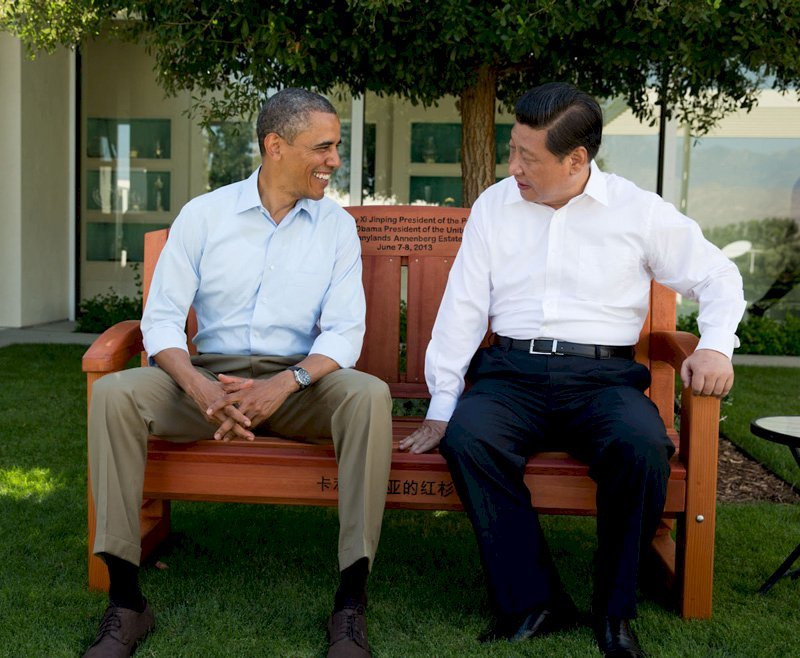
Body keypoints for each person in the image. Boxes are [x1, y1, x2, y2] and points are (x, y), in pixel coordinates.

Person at [400, 82, 746, 658]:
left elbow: (718, 277)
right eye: (513, 151)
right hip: (510, 374)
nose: (513, 168)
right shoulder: (495, 206)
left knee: (642, 446)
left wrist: (714, 346)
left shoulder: (638, 211)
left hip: (603, 382)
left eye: (528, 158)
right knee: (468, 440)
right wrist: (442, 406)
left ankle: (614, 612)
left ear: (577, 159)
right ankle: (533, 600)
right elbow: (463, 308)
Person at [84, 88, 392, 658]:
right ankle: (126, 602)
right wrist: (199, 387)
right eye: (323, 147)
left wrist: (284, 385)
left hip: (301, 386)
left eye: (336, 148)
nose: (334, 160)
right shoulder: (205, 216)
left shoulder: (334, 227)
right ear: (275, 145)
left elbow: (345, 332)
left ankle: (350, 605)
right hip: (207, 382)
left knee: (368, 396)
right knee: (115, 396)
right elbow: (162, 322)